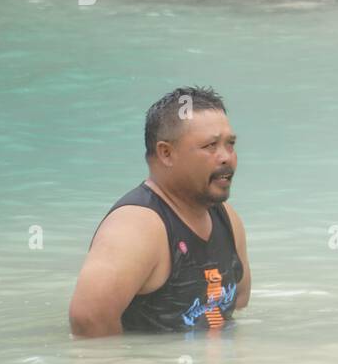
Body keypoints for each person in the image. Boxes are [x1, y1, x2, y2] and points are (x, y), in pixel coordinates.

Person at [68, 86, 250, 337]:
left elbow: (239, 302)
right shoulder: (136, 227)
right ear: (166, 153)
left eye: (230, 144)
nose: (226, 157)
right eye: (210, 145)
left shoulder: (227, 219)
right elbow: (88, 319)